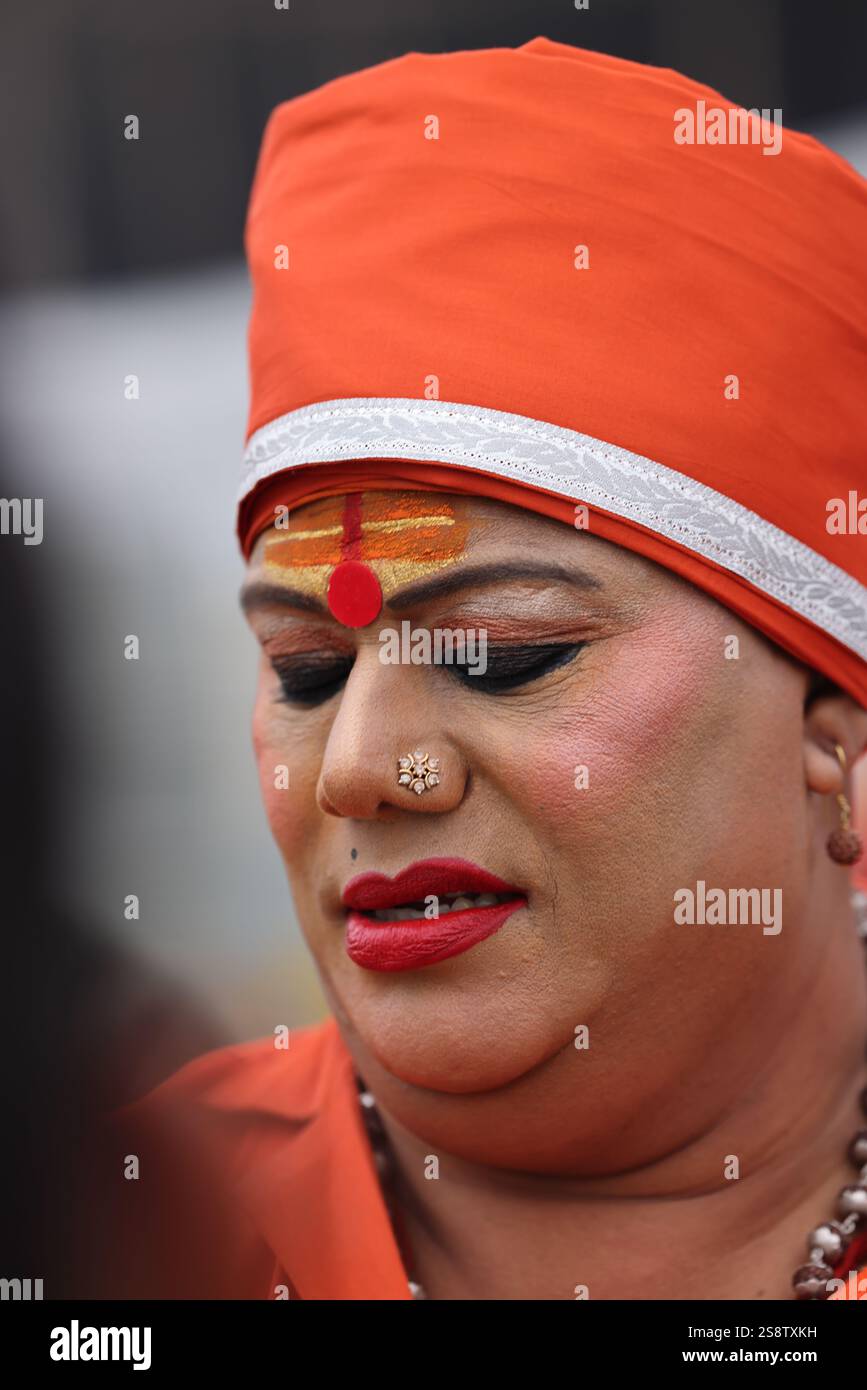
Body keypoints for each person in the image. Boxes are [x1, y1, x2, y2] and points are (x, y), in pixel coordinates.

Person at [115, 38, 867, 1300]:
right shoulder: (102, 1231)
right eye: (304, 671)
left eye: (504, 654)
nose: (358, 767)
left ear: (831, 725)